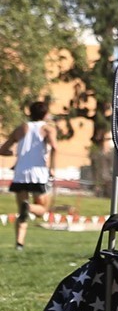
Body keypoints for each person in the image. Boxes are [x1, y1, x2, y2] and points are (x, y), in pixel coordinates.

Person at [3, 101, 55, 250]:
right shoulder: (47, 129)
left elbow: (3, 149)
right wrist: (52, 168)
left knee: (22, 213)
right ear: (45, 114)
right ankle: (29, 207)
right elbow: (55, 147)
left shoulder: (21, 128)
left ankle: (19, 244)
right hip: (38, 174)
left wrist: (15, 153)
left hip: (20, 174)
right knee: (42, 209)